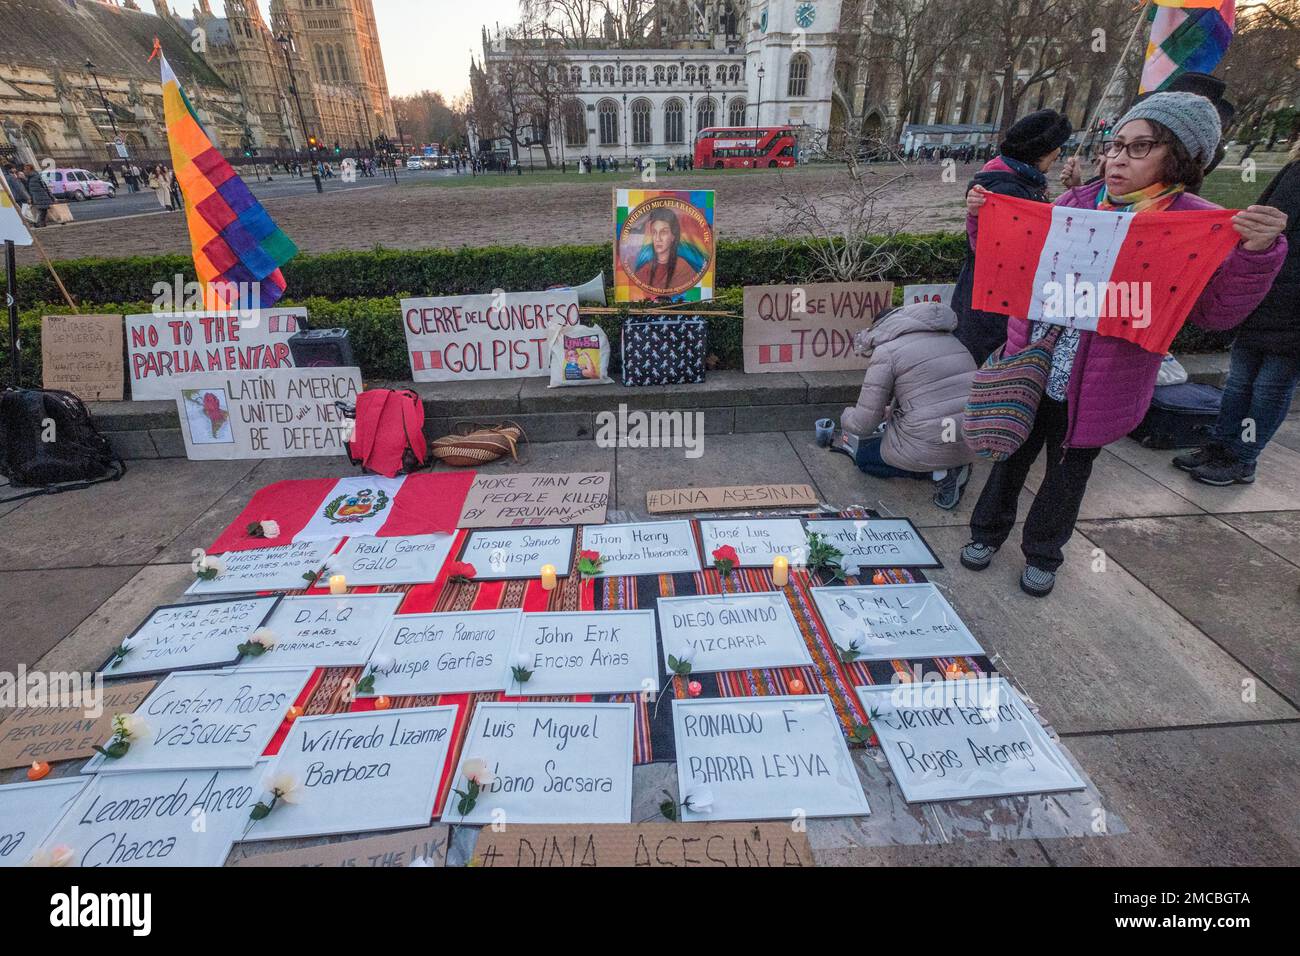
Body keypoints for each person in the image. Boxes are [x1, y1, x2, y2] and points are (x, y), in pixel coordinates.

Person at [959, 92, 1288, 597]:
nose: (1116, 158)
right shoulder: (1075, 203)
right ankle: (986, 533)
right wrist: (984, 218)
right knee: (1009, 457)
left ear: (1180, 155)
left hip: (1100, 386)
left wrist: (1256, 255)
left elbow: (1214, 313)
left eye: (1139, 147)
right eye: (1115, 145)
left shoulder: (1195, 223)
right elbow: (1014, 266)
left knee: (1067, 478)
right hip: (1034, 366)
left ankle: (1044, 553)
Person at [1173, 139, 1300, 486]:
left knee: (1269, 389)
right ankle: (1219, 444)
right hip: (1267, 293)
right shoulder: (1293, 169)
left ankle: (1243, 455)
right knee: (1240, 382)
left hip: (1291, 311)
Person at [952, 110, 1073, 365]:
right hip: (994, 311)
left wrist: (1076, 189)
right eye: (1056, 147)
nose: (1059, 153)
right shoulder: (1008, 188)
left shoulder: (1013, 179)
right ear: (1041, 151)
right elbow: (1000, 252)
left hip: (988, 305)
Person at [840, 302, 979, 509]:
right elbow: (934, 397)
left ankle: (939, 472)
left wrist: (845, 416)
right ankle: (953, 464)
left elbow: (863, 425)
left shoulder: (887, 351)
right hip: (971, 439)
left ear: (880, 328)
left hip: (928, 444)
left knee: (864, 458)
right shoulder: (954, 341)